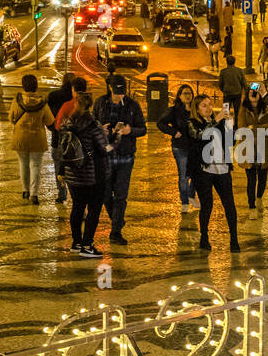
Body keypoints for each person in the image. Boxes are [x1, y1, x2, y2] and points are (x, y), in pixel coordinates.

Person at [91, 73, 146, 246]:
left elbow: (143, 129)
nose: (119, 97)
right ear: (110, 89)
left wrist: (130, 131)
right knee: (105, 194)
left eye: (122, 93)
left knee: (121, 195)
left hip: (125, 157)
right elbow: (92, 125)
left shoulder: (132, 105)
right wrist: (101, 129)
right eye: (116, 93)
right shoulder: (100, 103)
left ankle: (116, 232)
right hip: (105, 157)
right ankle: (117, 219)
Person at [57, 90, 113, 258]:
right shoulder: (93, 125)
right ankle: (87, 245)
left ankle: (76, 242)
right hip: (93, 175)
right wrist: (115, 139)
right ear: (90, 105)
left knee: (77, 207)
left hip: (73, 174)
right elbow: (104, 149)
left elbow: (62, 148)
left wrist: (62, 171)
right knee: (94, 210)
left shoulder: (67, 123)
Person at [186, 94, 239, 252]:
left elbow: (230, 142)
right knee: (207, 206)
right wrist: (217, 120)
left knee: (229, 205)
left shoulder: (219, 121)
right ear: (197, 109)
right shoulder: (192, 123)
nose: (208, 108)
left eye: (210, 104)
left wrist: (229, 124)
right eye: (204, 105)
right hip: (204, 170)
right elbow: (201, 135)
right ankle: (204, 237)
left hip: (222, 168)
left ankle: (234, 239)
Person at [10, 73, 55, 205]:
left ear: (23, 86)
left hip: (21, 138)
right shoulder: (42, 103)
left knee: (23, 163)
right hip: (37, 138)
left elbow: (11, 118)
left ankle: (25, 190)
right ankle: (34, 194)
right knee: (35, 165)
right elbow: (50, 121)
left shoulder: (17, 100)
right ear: (36, 86)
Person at [157, 83, 198, 212]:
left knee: (197, 174)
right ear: (179, 96)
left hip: (195, 147)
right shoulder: (174, 110)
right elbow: (160, 123)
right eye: (185, 93)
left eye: (190, 93)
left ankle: (191, 195)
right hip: (180, 148)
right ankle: (184, 202)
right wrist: (173, 132)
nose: (188, 96)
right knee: (184, 176)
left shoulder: (195, 110)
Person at [236, 81, 268, 210]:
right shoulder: (243, 109)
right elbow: (242, 129)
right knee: (251, 180)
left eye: (256, 92)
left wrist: (254, 127)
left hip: (263, 148)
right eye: (251, 92)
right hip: (248, 149)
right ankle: (251, 206)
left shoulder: (266, 109)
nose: (254, 94)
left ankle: (259, 198)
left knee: (263, 178)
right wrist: (260, 128)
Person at [46, 73, 77, 204]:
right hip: (75, 141)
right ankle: (75, 195)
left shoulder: (53, 96)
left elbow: (48, 118)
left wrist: (53, 128)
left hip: (57, 138)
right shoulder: (77, 99)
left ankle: (62, 192)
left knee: (58, 166)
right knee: (74, 169)